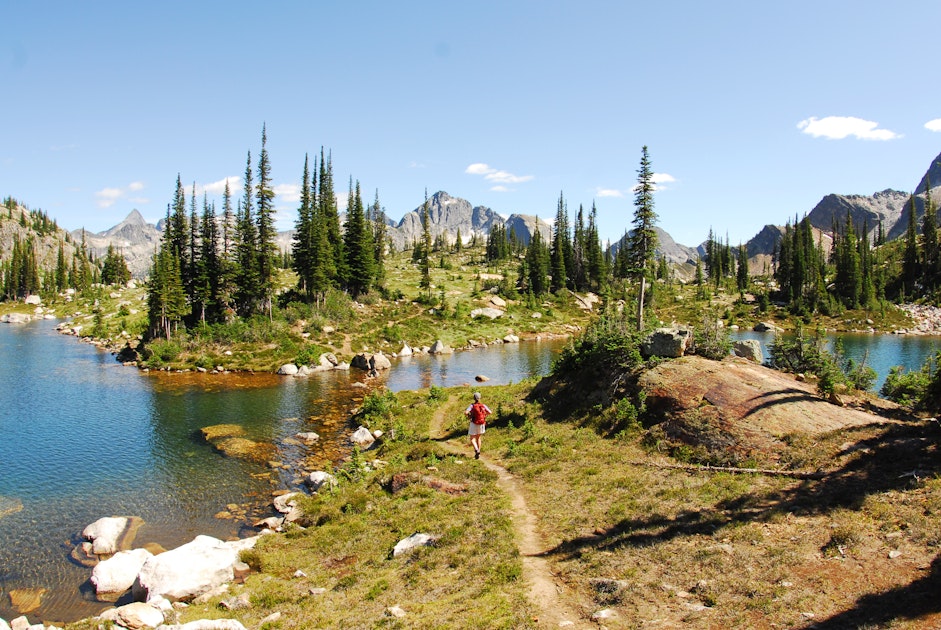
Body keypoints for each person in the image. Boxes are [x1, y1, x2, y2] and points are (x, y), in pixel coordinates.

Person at [465, 391, 492, 459]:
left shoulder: (472, 405)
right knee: (478, 438)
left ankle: (476, 450)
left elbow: (466, 412)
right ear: (480, 398)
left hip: (474, 423)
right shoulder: (483, 405)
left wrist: (469, 416)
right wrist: (484, 415)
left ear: (474, 398)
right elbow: (490, 412)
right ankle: (479, 451)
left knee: (472, 438)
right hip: (481, 423)